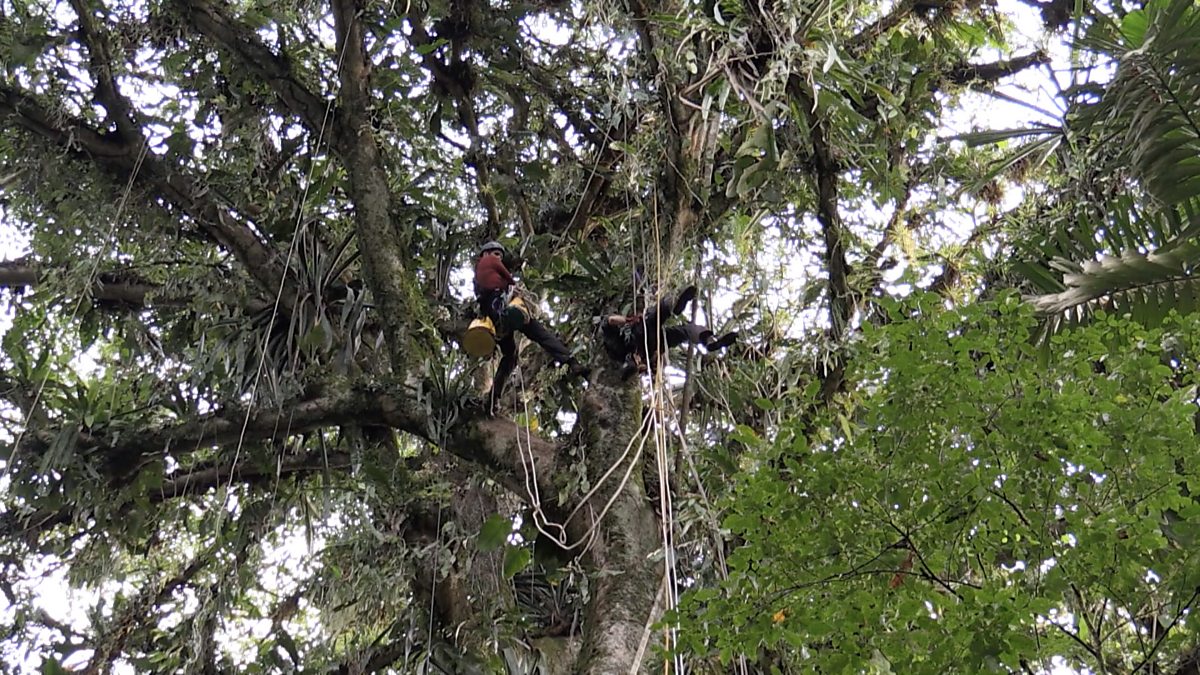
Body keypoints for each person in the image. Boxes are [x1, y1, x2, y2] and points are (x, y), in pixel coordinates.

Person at [473, 241, 588, 409]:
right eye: (496, 253)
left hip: (494, 316)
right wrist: (515, 286)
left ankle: (493, 399)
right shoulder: (490, 260)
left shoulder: (477, 276)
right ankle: (571, 362)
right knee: (541, 334)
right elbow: (510, 281)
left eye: (499, 255)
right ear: (486, 253)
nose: (498, 257)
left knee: (510, 356)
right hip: (505, 307)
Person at [601, 285, 738, 378]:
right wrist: (649, 366)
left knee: (660, 311)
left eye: (634, 360)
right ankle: (709, 342)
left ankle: (675, 305)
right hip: (657, 342)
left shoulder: (618, 349)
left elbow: (610, 321)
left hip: (643, 329)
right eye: (637, 362)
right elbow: (654, 367)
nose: (637, 360)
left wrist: (627, 320)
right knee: (685, 332)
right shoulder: (644, 362)